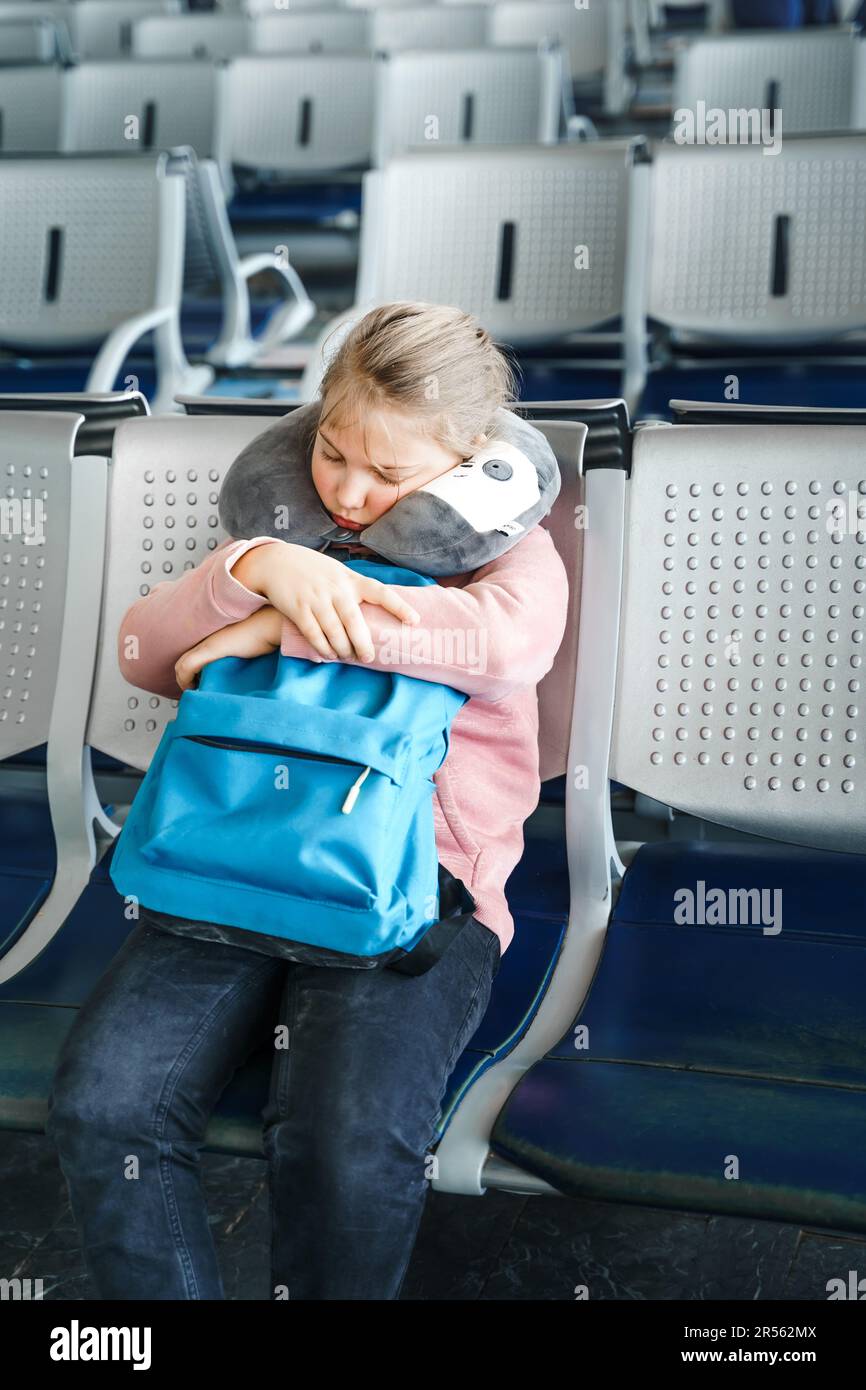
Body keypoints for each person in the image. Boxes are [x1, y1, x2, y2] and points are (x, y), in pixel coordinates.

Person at [44, 302, 571, 1300]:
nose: (353, 491)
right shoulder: (282, 530)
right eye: (334, 453)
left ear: (463, 462)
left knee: (340, 1139)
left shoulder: (509, 549)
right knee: (106, 1105)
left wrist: (275, 628)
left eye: (389, 473)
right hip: (231, 857)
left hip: (420, 884)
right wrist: (253, 568)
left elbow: (499, 649)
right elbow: (147, 655)